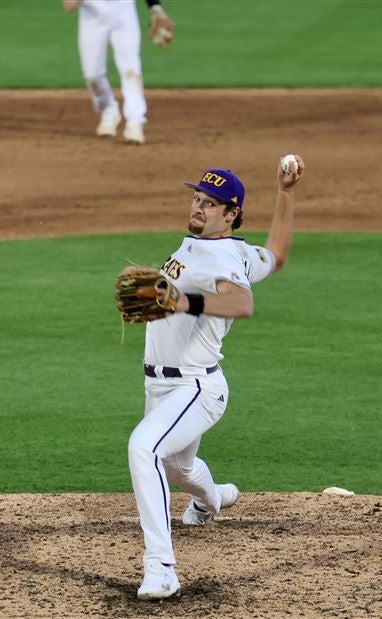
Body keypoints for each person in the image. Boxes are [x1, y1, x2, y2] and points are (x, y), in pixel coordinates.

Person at [126, 154, 305, 600]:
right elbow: (278, 257)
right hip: (162, 386)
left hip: (195, 387)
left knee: (143, 447)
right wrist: (285, 194)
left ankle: (161, 568)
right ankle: (213, 499)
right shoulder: (237, 250)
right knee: (179, 465)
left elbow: (242, 304)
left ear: (231, 214)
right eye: (198, 199)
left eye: (211, 203)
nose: (198, 208)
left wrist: (187, 304)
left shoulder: (221, 257)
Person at [62, 0, 174, 145]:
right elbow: (69, 5)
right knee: (92, 74)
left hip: (123, 10)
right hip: (91, 14)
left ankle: (135, 122)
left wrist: (155, 6)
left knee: (130, 69)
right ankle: (109, 110)